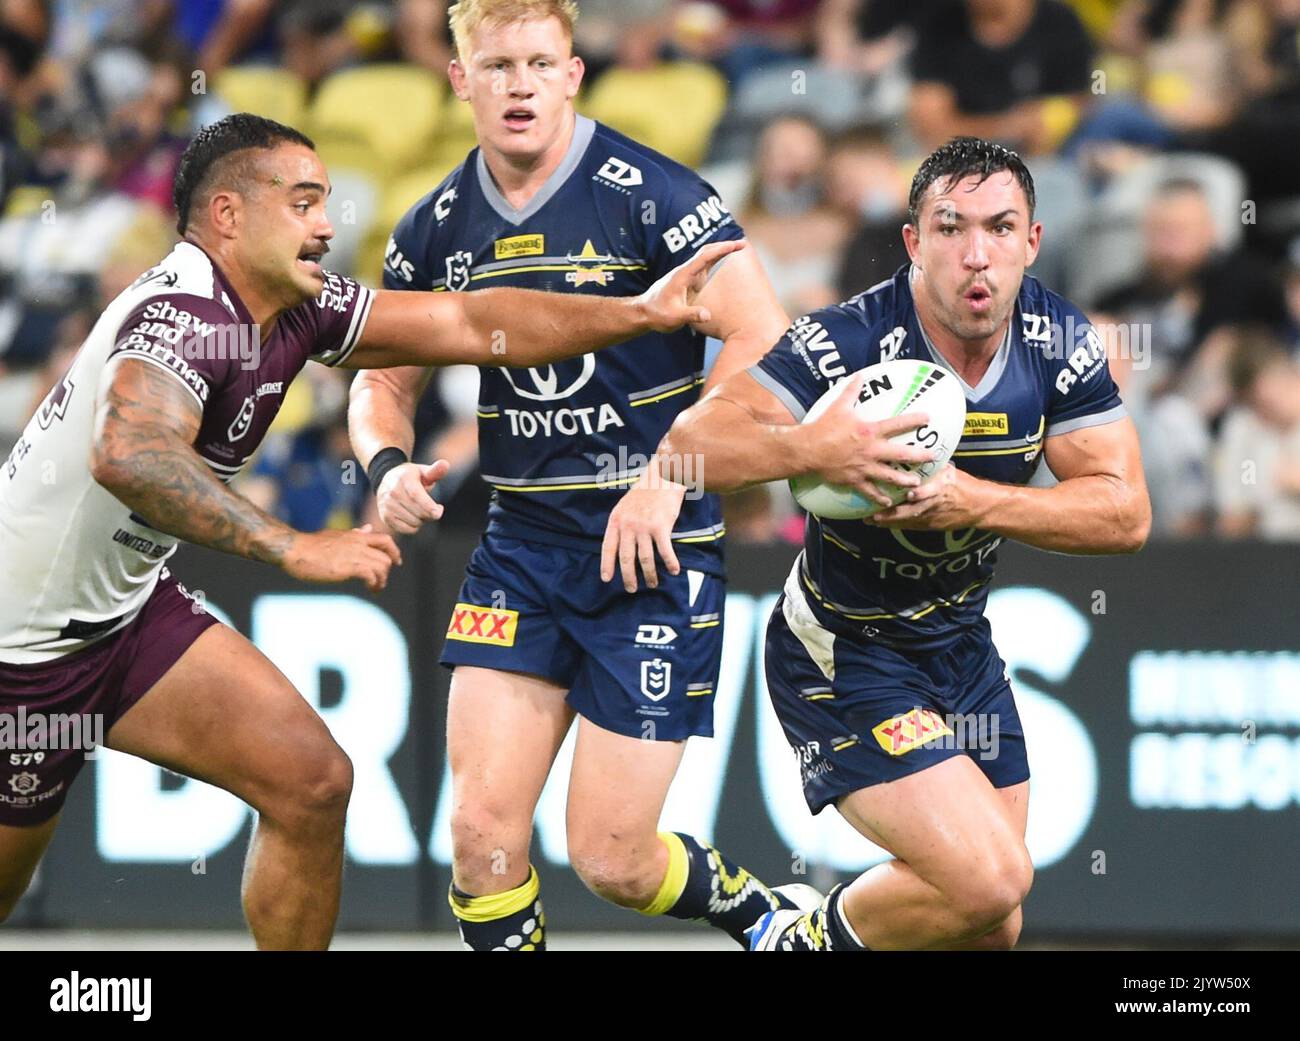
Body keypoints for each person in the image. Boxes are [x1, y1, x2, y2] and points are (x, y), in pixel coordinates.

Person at [0, 112, 734, 948]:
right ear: (228, 215)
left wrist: (634, 312)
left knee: (312, 783)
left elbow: (470, 325)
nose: (326, 225)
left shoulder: (298, 307)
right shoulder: (184, 309)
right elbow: (128, 453)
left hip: (125, 614)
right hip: (22, 648)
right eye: (303, 203)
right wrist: (291, 544)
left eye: (325, 202)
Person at [348, 0, 821, 951]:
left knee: (612, 859)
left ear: (573, 75)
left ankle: (757, 909)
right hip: (519, 552)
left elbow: (765, 339)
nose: (519, 86)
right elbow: (382, 381)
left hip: (653, 554)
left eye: (539, 64)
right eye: (497, 67)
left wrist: (671, 471)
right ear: (460, 80)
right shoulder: (434, 226)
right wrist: (386, 463)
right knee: (479, 834)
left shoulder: (655, 195)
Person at [661, 136, 1151, 950]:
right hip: (844, 650)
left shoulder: (1058, 342)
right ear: (913, 241)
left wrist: (971, 499)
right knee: (990, 879)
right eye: (951, 228)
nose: (976, 254)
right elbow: (691, 447)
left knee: (990, 923)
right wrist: (816, 448)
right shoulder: (852, 339)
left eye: (1000, 228)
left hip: (961, 649)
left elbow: (1125, 514)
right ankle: (799, 938)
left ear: (1033, 241)